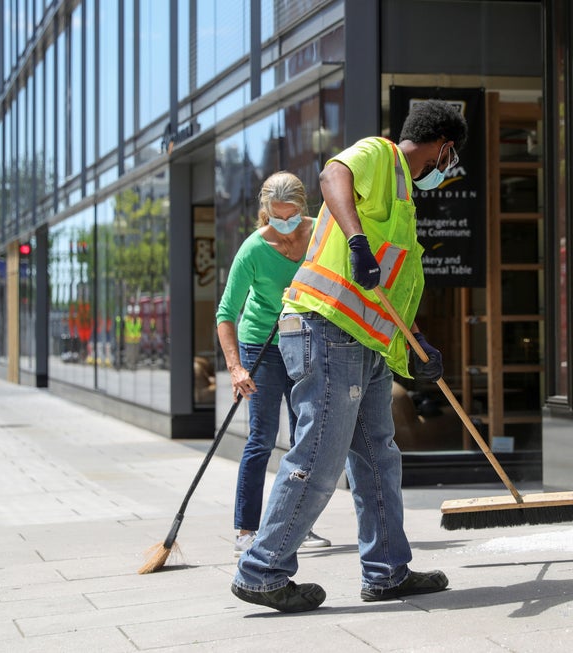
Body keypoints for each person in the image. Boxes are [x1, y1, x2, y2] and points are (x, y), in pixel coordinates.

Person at [231, 99, 467, 613]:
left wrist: (416, 347)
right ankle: (262, 569)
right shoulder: (381, 154)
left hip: (364, 342)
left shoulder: (403, 200)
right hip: (325, 328)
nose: (448, 167)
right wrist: (356, 240)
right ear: (444, 146)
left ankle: (386, 571)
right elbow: (332, 173)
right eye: (451, 157)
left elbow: (392, 299)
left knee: (378, 456)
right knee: (319, 454)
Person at [216, 171, 331, 558]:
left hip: (304, 341)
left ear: (304, 207)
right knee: (262, 438)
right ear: (265, 212)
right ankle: (246, 531)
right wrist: (236, 368)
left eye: (292, 214)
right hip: (259, 347)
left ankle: (298, 524)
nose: (286, 224)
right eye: (277, 216)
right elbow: (226, 313)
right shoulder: (252, 249)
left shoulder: (320, 234)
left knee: (305, 438)